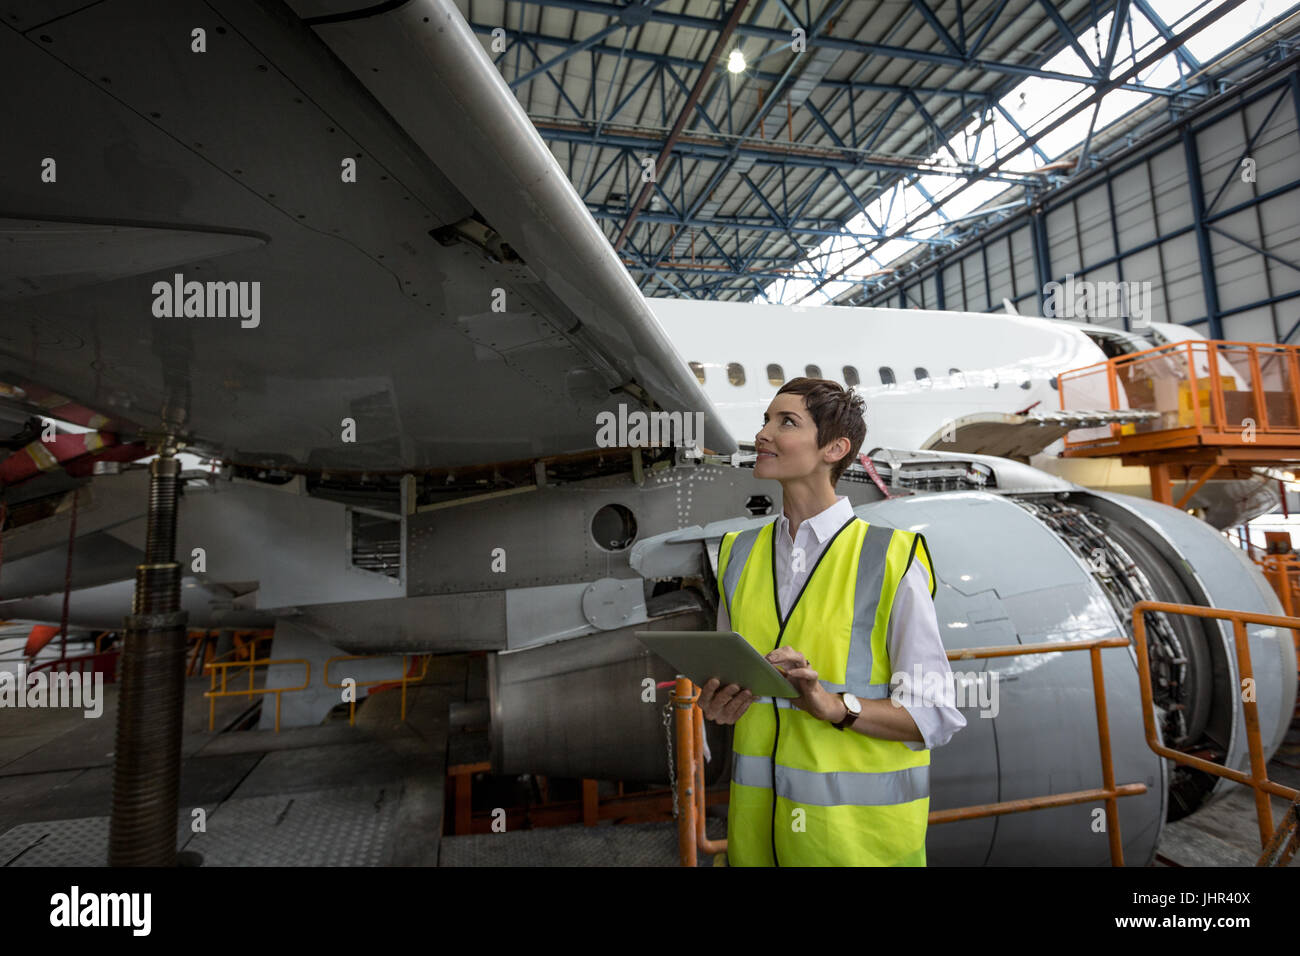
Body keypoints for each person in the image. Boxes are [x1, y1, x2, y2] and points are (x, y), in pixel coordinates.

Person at [699, 377, 966, 866]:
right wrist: (719, 706)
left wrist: (835, 706)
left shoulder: (892, 558)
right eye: (765, 420)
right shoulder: (736, 555)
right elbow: (730, 686)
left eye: (787, 422)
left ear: (835, 448)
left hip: (858, 847)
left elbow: (934, 714)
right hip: (758, 845)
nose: (763, 434)